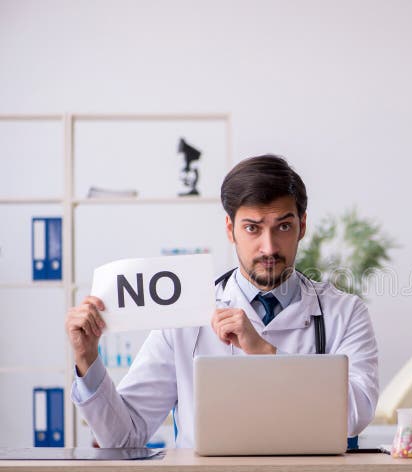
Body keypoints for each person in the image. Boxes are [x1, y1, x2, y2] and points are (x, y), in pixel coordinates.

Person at [65, 155, 379, 448]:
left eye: (283, 226)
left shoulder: (344, 312)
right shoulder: (185, 312)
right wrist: (87, 358)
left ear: (302, 226)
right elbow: (125, 437)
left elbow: (356, 415)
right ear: (231, 230)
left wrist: (266, 354)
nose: (268, 247)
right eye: (252, 228)